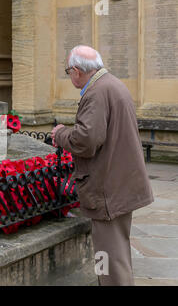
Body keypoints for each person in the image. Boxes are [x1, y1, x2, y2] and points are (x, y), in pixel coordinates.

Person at [52, 45, 154, 286]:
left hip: (108, 190)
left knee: (107, 259)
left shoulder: (96, 92)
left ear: (77, 71)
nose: (70, 76)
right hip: (120, 184)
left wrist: (61, 134)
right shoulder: (111, 84)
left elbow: (87, 140)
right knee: (116, 254)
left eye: (68, 71)